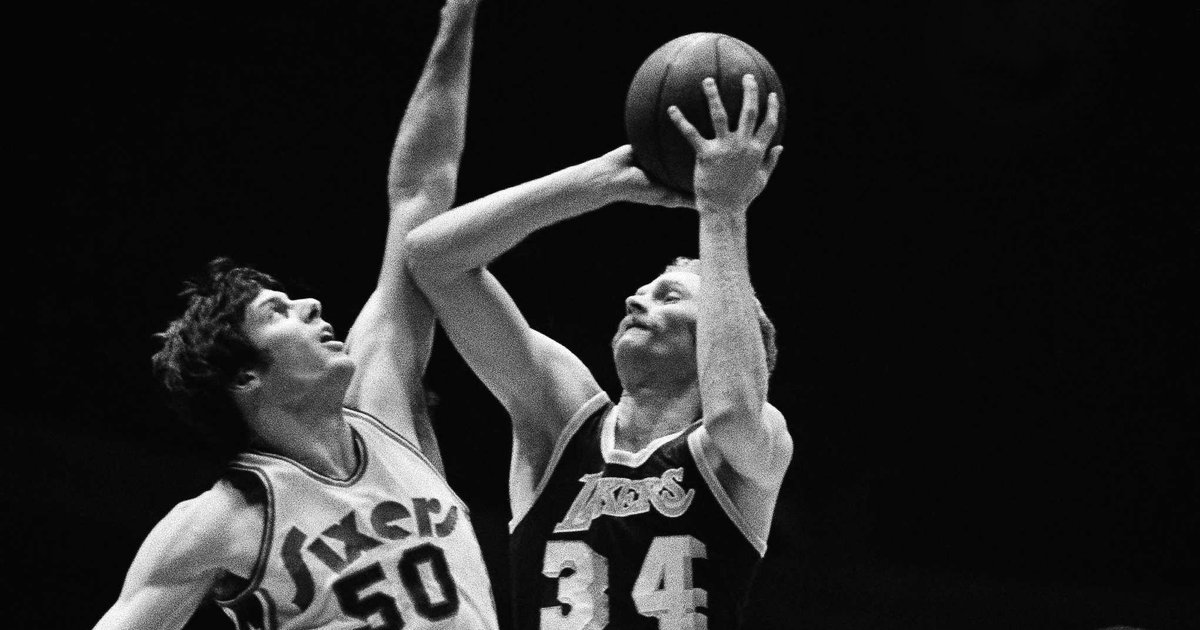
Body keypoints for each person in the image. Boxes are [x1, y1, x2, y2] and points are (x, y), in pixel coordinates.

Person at [93, 2, 500, 628]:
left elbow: (420, 193)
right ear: (246, 376)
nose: (312, 304)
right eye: (277, 311)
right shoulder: (221, 520)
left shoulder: (382, 403)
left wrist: (458, 20)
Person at [406, 74, 792, 629]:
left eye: (670, 294)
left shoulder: (749, 447)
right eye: (646, 288)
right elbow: (433, 257)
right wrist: (599, 181)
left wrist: (722, 210)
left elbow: (733, 408)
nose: (636, 297)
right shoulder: (564, 420)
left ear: (725, 335)